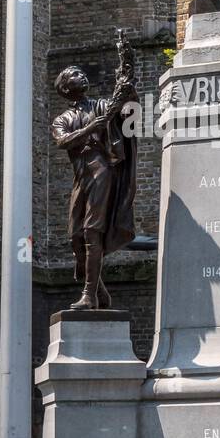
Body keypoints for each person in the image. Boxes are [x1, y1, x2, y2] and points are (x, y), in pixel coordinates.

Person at [50, 38, 137, 310]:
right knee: (75, 236)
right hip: (81, 177)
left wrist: (126, 92)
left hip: (101, 170)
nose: (82, 75)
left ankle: (88, 294)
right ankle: (100, 291)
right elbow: (63, 141)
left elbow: (125, 114)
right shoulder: (61, 119)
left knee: (91, 230)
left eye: (82, 72)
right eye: (75, 74)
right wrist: (89, 129)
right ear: (65, 87)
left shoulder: (101, 105)